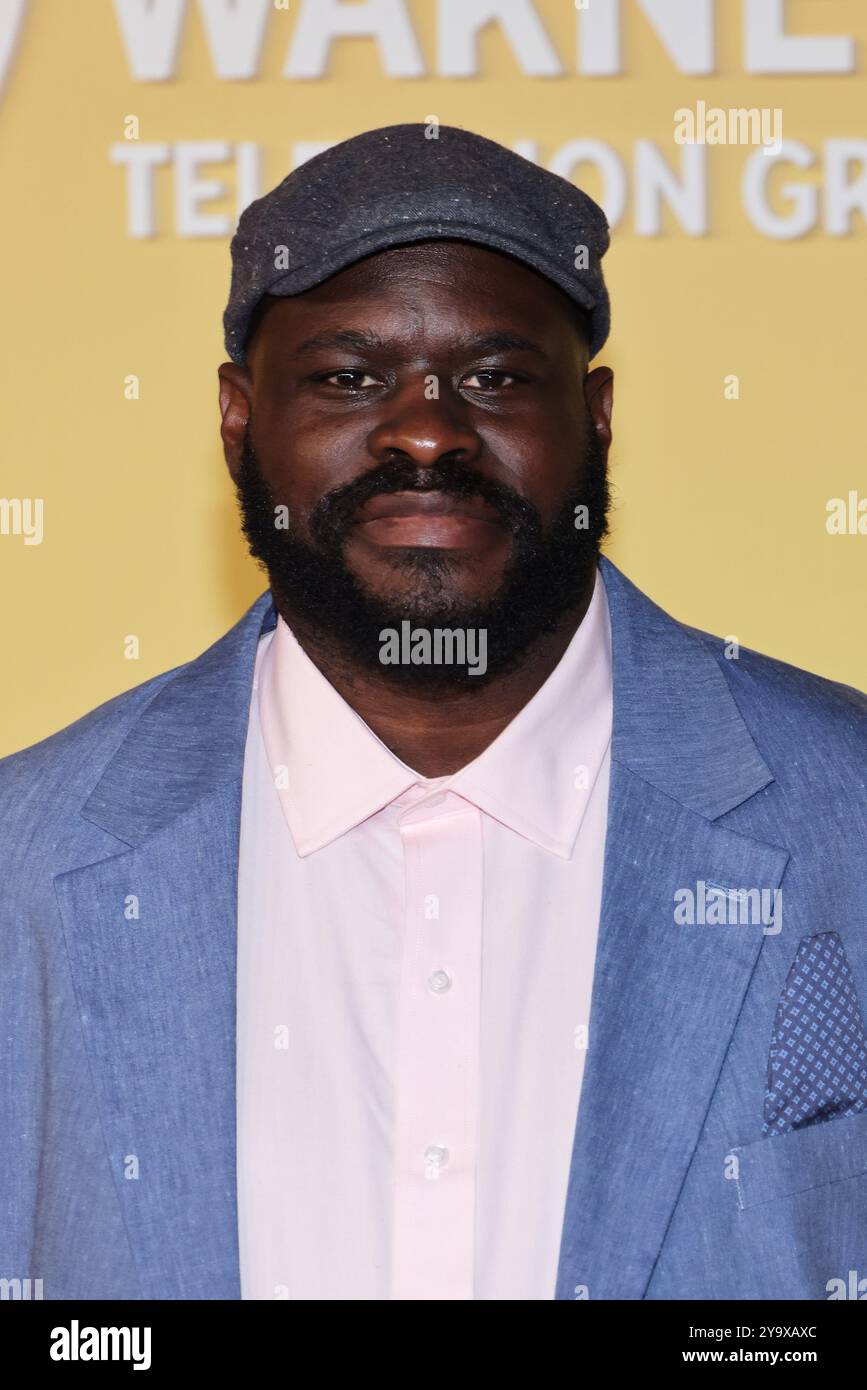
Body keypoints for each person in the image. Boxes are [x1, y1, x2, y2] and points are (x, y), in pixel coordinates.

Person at [1, 124, 865, 1302]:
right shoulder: (30, 859)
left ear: (598, 418)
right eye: (351, 377)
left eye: (497, 378)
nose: (426, 429)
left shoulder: (844, 812)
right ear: (237, 421)